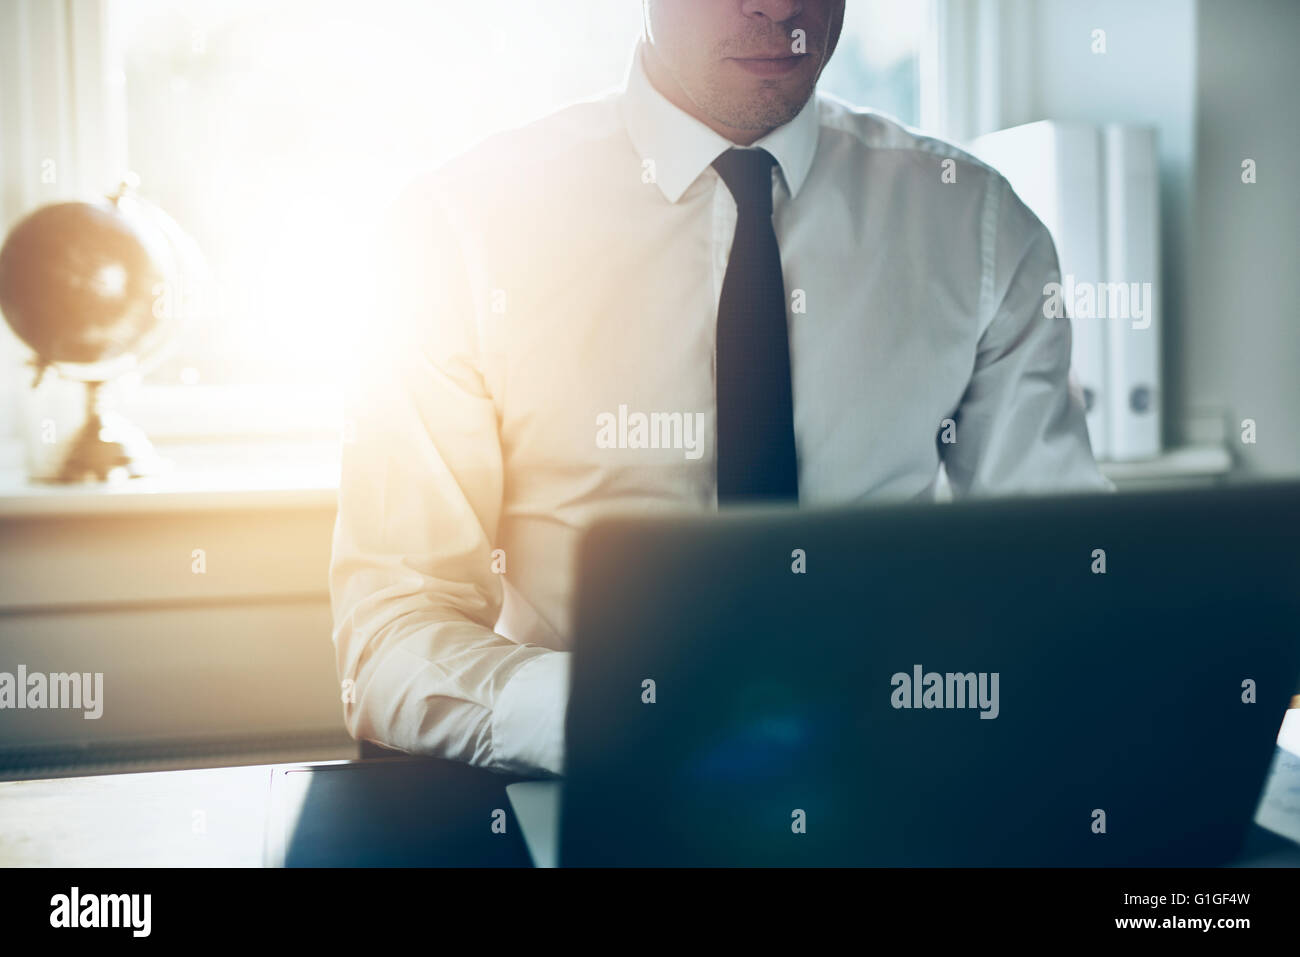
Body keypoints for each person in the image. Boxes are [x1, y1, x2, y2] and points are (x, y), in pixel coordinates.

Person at [329, 0, 1111, 778]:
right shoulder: (458, 232)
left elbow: (1072, 580)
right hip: (584, 792)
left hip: (886, 787)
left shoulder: (978, 226)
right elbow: (392, 629)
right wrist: (607, 711)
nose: (778, 6)